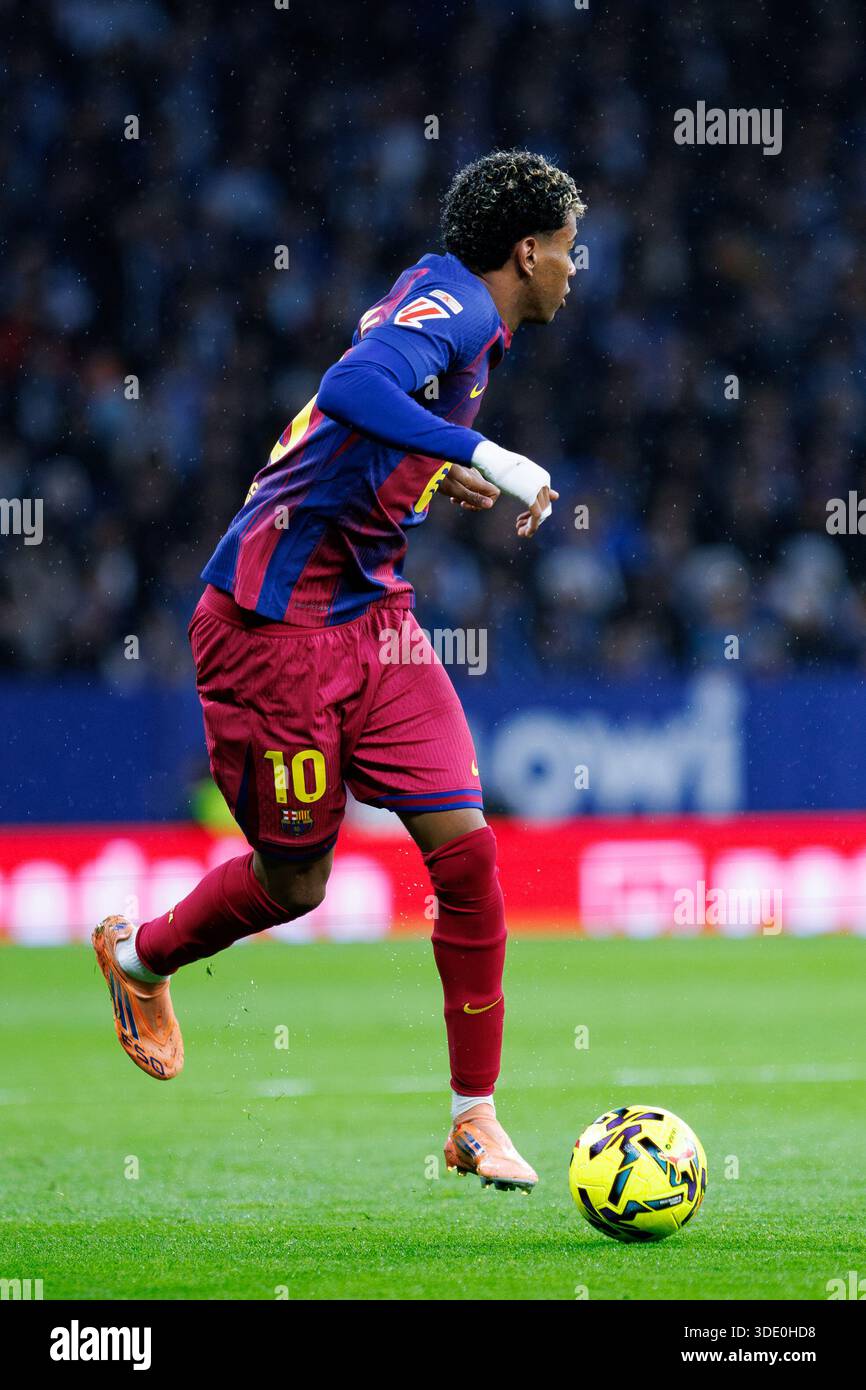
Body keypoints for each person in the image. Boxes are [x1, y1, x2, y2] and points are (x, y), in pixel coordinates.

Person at [93, 149, 585, 1192]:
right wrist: (485, 453)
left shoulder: (455, 308)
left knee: (467, 853)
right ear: (526, 250)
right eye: (568, 252)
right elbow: (347, 386)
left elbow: (357, 419)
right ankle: (139, 958)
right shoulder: (452, 310)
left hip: (376, 618)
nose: (574, 272)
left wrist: (434, 457)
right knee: (296, 882)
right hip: (270, 628)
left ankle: (471, 1118)